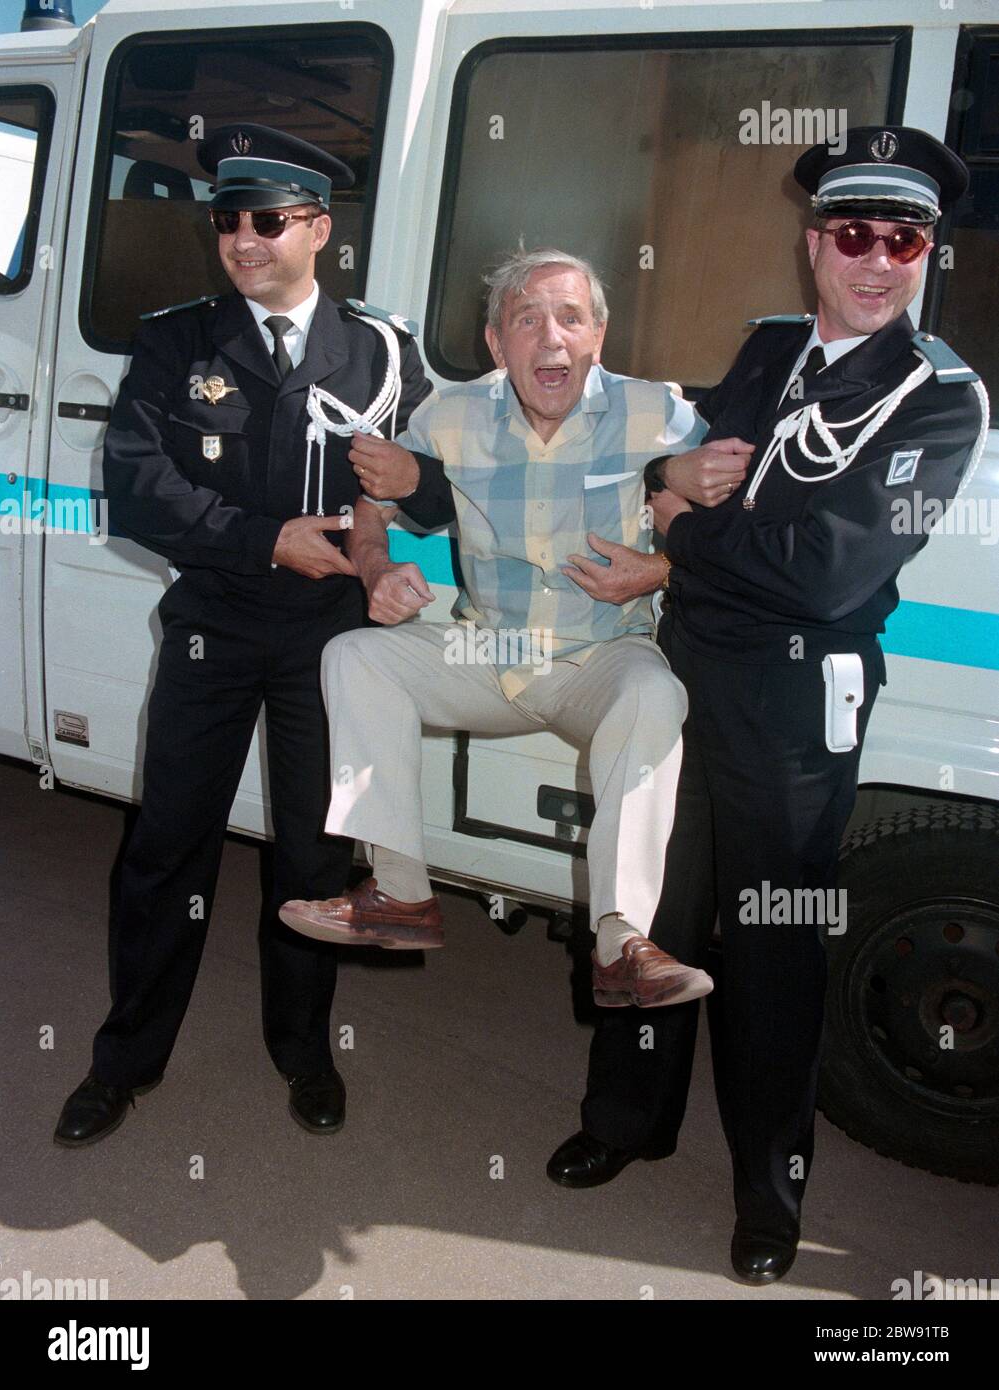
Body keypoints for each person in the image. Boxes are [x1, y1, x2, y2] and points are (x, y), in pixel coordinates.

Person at [546, 127, 988, 1284]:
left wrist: (680, 536)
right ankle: (626, 1120)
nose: (876, 258)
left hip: (794, 708)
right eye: (853, 232)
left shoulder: (938, 399)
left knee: (776, 954)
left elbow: (828, 570)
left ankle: (766, 1196)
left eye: (903, 237)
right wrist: (658, 487)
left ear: (925, 252)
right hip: (683, 676)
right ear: (813, 245)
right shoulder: (767, 346)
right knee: (647, 916)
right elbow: (676, 457)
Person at [54, 124, 452, 1146]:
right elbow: (137, 491)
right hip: (211, 632)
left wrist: (414, 495)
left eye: (267, 221)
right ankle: (124, 1060)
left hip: (329, 646)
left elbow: (438, 495)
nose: (242, 239)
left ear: (318, 228)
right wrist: (264, 540)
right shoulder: (176, 340)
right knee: (164, 847)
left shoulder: (381, 348)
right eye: (227, 220)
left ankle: (304, 1048)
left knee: (314, 859)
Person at [278, 248, 738, 1008]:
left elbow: (730, 528)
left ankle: (622, 942)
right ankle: (398, 894)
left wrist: (657, 572)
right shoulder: (452, 414)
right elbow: (374, 506)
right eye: (527, 320)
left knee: (656, 695)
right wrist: (372, 568)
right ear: (496, 343)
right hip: (486, 650)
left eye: (569, 318)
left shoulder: (658, 412)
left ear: (598, 334)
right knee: (356, 657)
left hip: (604, 655)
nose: (550, 338)